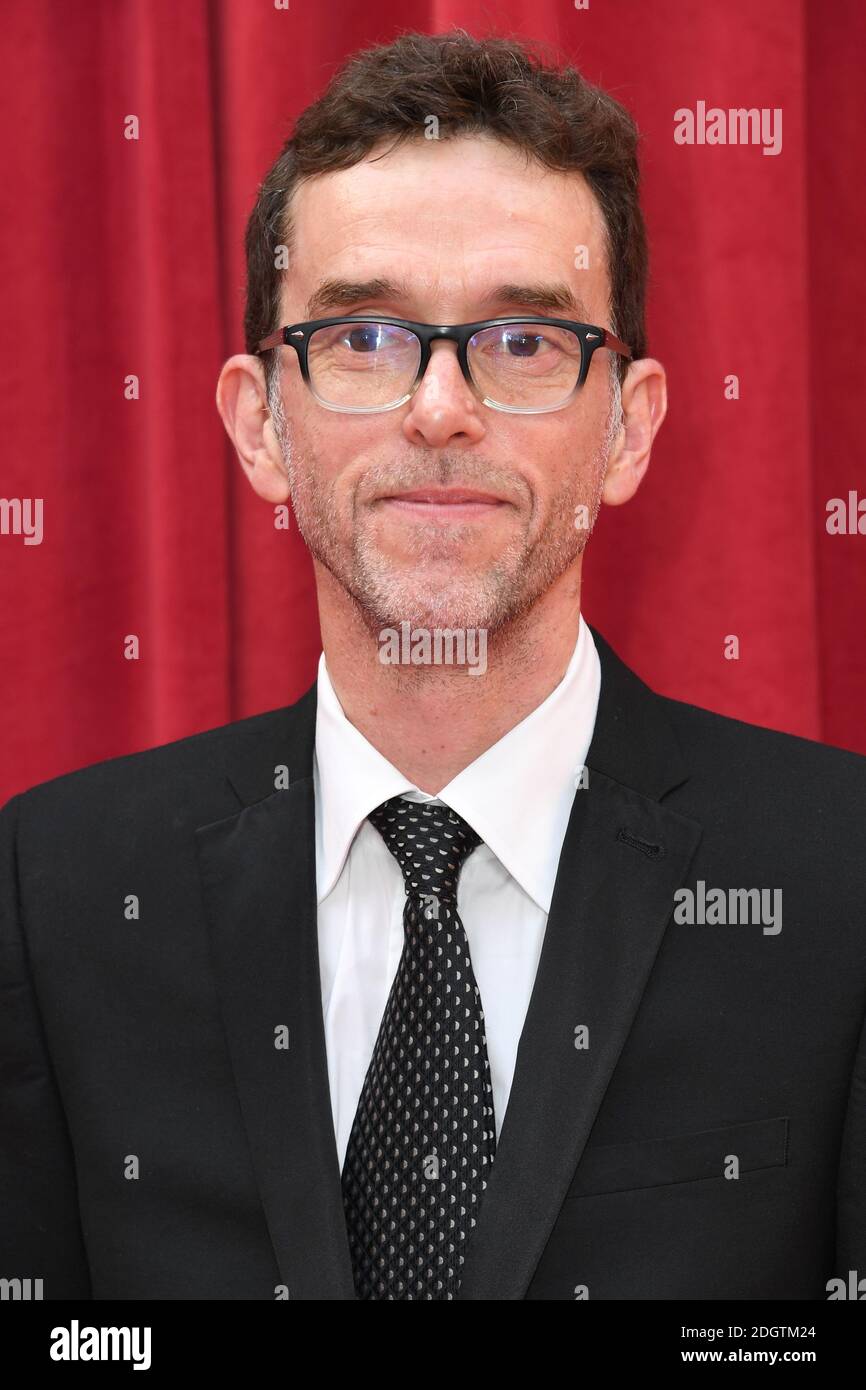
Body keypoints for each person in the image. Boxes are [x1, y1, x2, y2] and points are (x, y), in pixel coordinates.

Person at [2, 29, 864, 1303]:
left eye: (523, 342)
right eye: (363, 335)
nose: (440, 407)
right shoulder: (56, 888)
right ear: (259, 423)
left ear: (626, 428)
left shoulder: (836, 879)